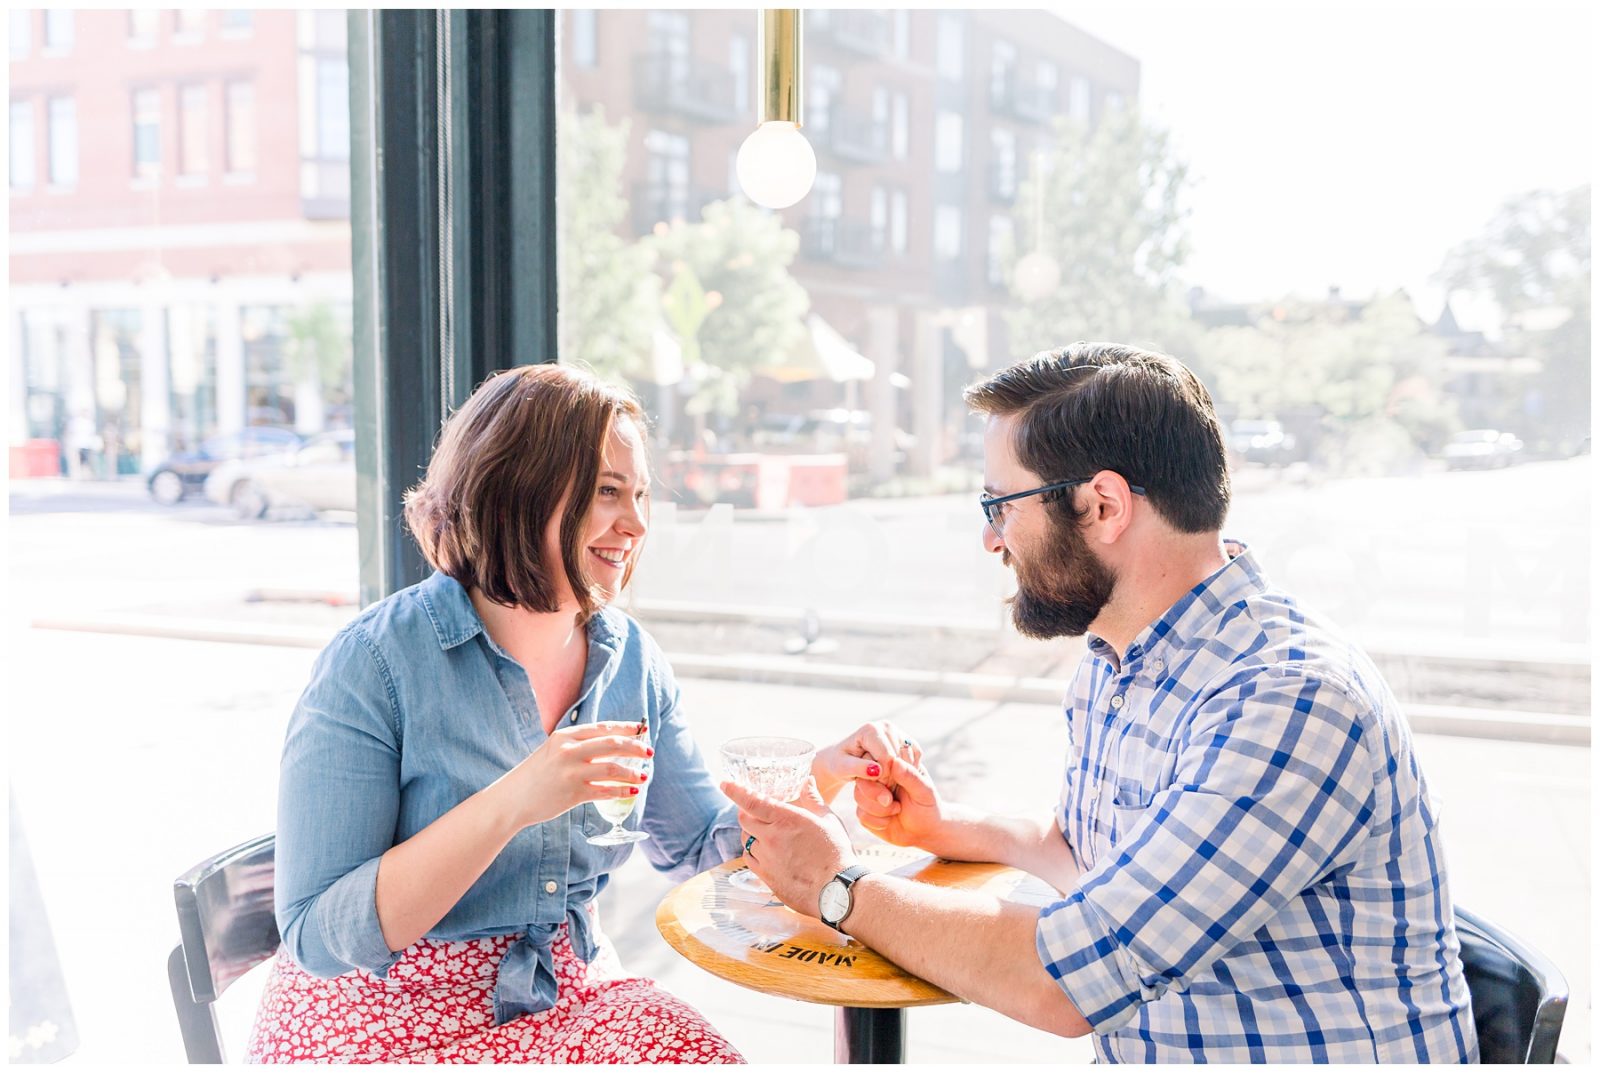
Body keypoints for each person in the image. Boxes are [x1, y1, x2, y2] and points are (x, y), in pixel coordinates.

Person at [723, 342, 1479, 1063]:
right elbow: (1086, 861)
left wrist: (837, 886)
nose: (992, 540)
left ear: (1104, 505)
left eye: (1000, 505)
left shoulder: (1289, 698)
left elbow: (1067, 977)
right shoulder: (1120, 655)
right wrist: (945, 825)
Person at [246, 363, 903, 1064]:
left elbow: (697, 848)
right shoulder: (374, 664)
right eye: (608, 491)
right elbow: (317, 936)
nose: (638, 522)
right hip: (379, 1020)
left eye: (642, 494)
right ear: (518, 492)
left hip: (562, 998)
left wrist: (818, 780)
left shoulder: (631, 661)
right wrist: (515, 800)